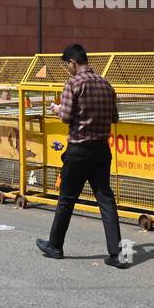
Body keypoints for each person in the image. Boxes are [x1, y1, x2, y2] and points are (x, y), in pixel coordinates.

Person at [35, 43, 129, 269]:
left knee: (67, 199)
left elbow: (66, 116)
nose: (68, 69)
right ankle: (116, 253)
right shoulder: (106, 84)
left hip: (78, 150)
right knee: (105, 199)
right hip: (101, 150)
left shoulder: (73, 83)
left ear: (72, 62)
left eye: (67, 65)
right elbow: (114, 117)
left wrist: (57, 109)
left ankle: (55, 246)